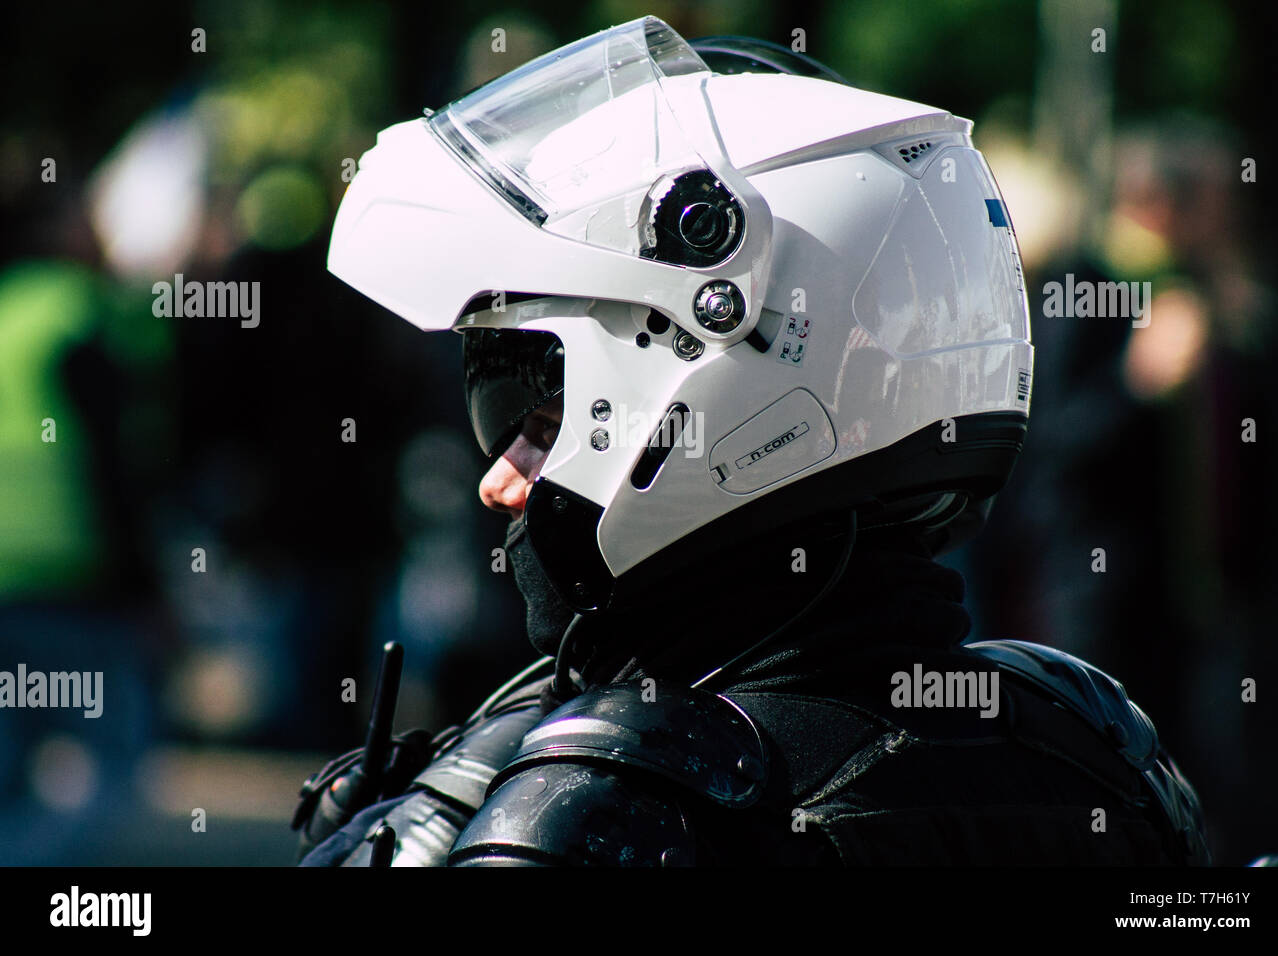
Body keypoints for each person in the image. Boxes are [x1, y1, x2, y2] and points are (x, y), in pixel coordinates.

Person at [293, 17, 1209, 866]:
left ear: (718, 354)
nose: (498, 483)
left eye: (539, 423)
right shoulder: (1096, 751)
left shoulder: (607, 817)